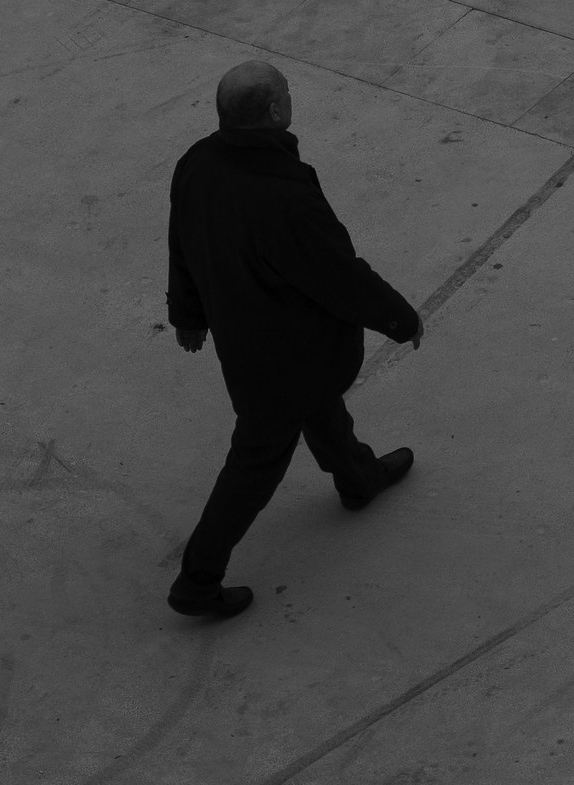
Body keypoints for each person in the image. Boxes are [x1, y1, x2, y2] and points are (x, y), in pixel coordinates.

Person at [162, 60, 425, 621]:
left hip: (247, 342)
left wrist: (189, 315)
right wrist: (400, 320)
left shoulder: (197, 163)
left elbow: (181, 243)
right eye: (287, 93)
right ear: (276, 110)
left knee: (318, 407)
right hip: (287, 353)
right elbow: (337, 275)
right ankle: (197, 580)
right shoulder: (284, 195)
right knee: (257, 460)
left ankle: (358, 478)